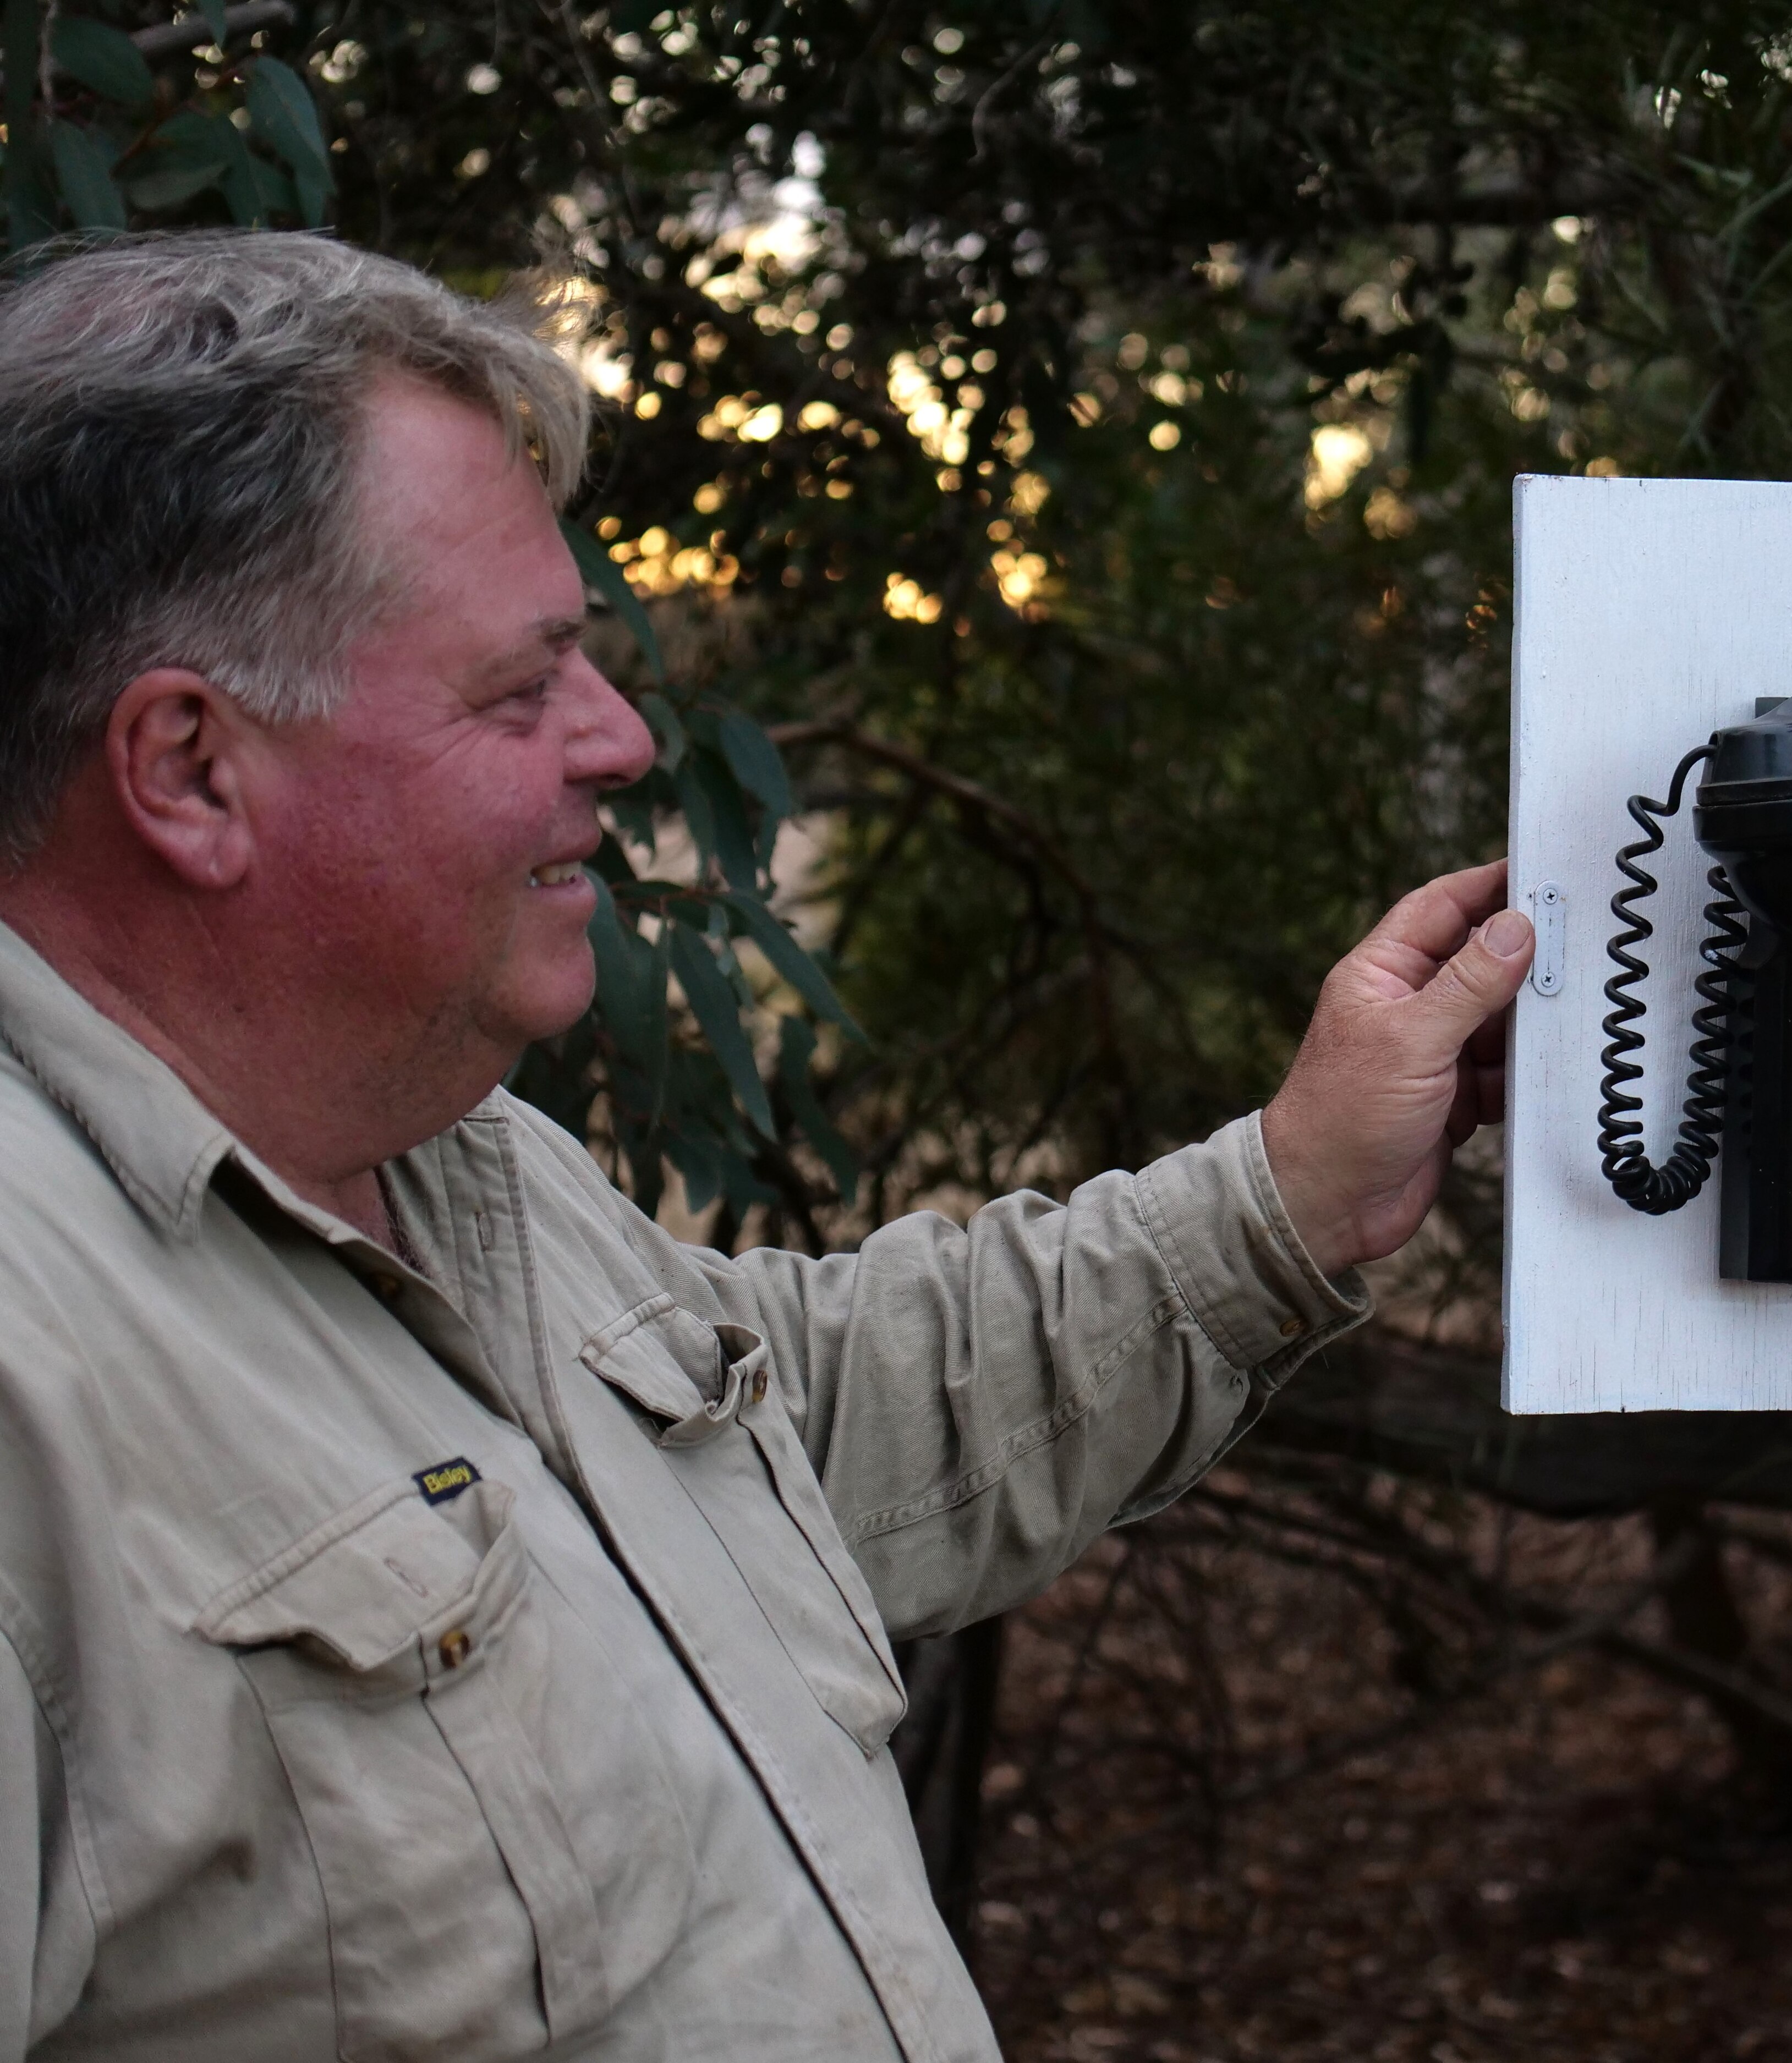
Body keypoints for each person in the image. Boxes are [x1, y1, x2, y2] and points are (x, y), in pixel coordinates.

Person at [0, 231, 1531, 2060]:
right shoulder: (36, 1368)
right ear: (185, 768)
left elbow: (794, 1443)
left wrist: (1289, 1197)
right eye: (521, 686)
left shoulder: (454, 1159)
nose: (625, 737)